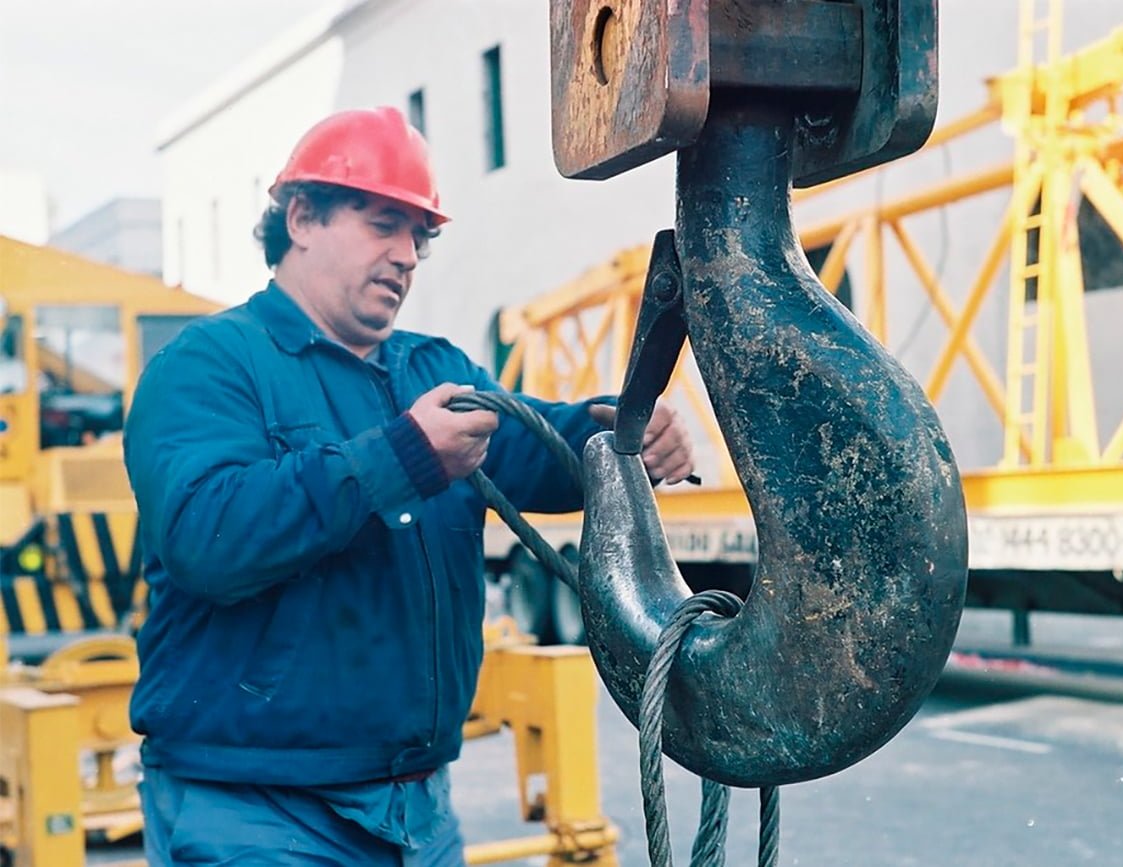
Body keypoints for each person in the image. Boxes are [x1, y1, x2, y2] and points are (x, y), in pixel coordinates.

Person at [123, 106, 695, 866]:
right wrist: (404, 455)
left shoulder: (432, 367)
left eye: (418, 236)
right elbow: (208, 535)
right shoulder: (209, 365)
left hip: (416, 810)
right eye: (382, 224)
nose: (407, 255)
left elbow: (534, 441)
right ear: (301, 217)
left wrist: (625, 439)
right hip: (255, 810)